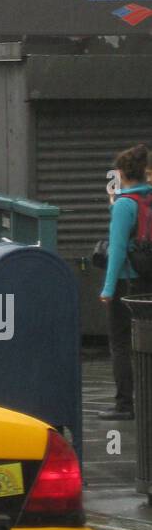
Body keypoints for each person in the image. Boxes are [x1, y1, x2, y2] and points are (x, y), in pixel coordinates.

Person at [98, 142, 152, 421]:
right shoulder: (147, 199)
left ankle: (124, 404)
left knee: (120, 344)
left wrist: (108, 289)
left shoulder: (124, 205)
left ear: (123, 173)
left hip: (126, 282)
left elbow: (117, 250)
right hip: (148, 281)